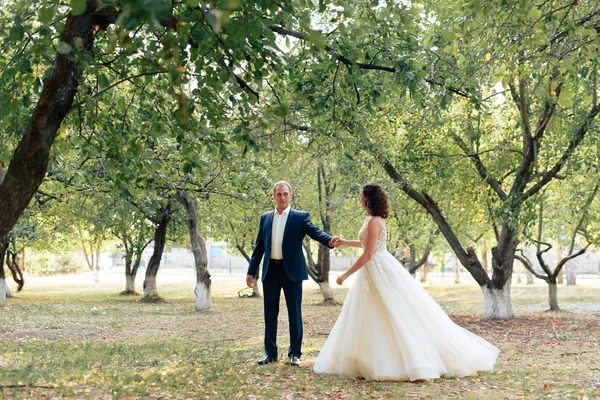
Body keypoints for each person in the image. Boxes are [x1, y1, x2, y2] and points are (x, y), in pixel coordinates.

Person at [313, 183, 499, 381]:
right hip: (373, 270)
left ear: (368, 199)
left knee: (392, 311)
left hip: (378, 269)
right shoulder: (370, 219)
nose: (360, 199)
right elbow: (367, 243)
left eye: (362, 196)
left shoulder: (375, 221)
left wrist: (346, 274)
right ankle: (367, 359)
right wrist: (345, 242)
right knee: (372, 312)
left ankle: (405, 361)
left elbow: (368, 254)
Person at [246, 181, 341, 366]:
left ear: (291, 196)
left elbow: (314, 232)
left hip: (292, 272)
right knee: (270, 314)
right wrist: (252, 271)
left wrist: (330, 240)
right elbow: (259, 247)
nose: (282, 197)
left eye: (285, 194)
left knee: (294, 313)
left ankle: (295, 354)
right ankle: (270, 353)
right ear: (274, 196)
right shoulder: (265, 218)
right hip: (270, 271)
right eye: (279, 194)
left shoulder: (300, 217)